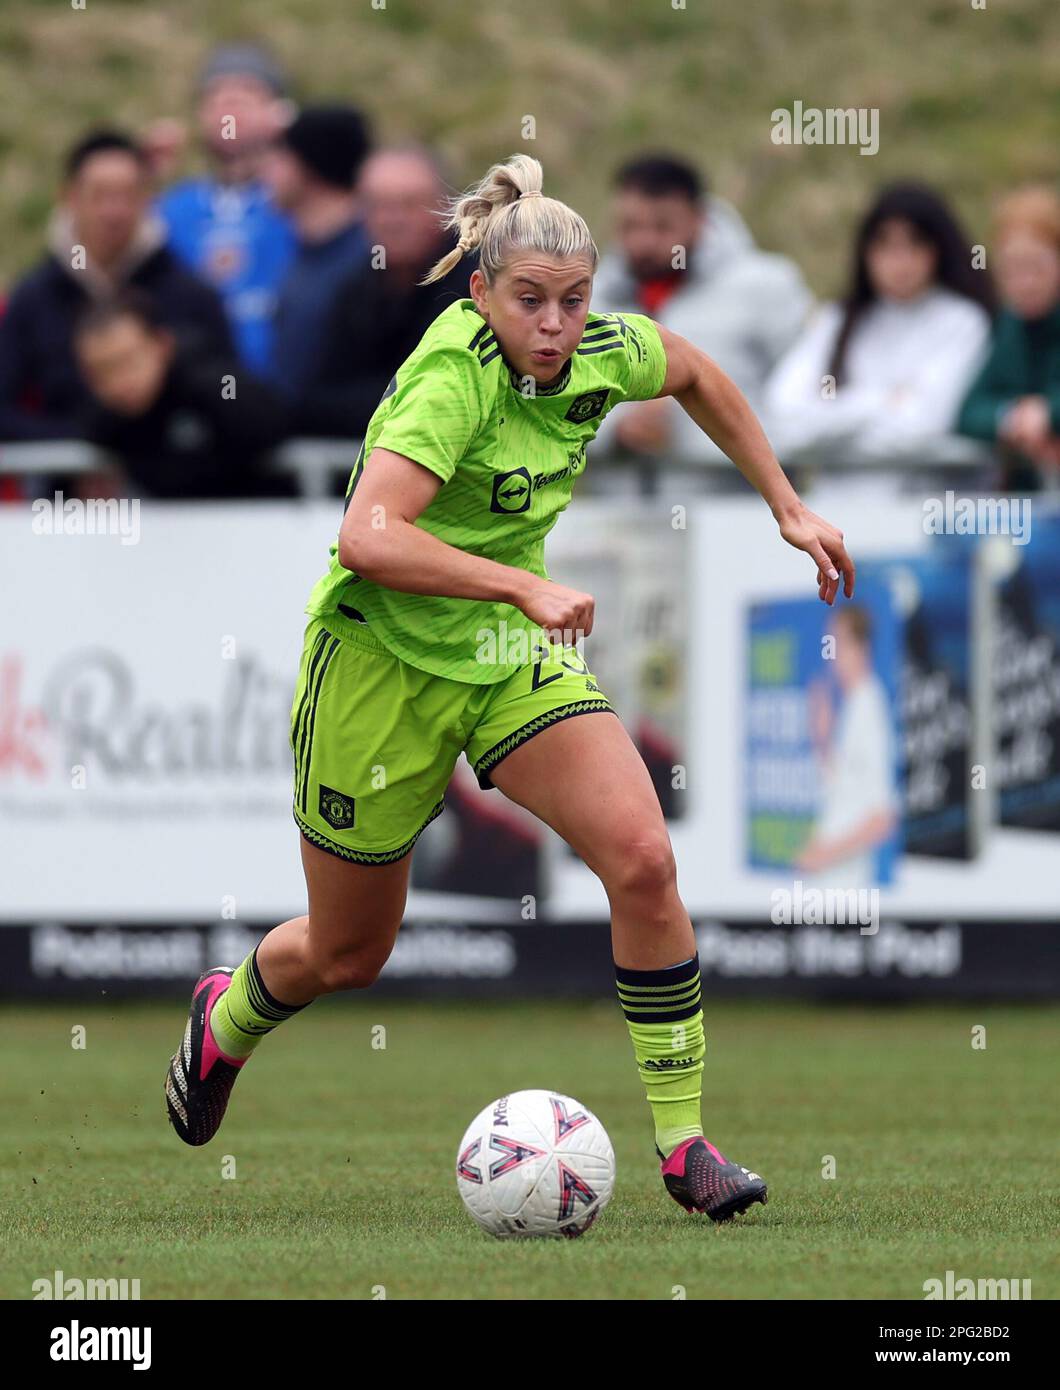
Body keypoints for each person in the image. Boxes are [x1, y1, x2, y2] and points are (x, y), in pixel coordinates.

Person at [162, 153, 854, 1223]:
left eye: (573, 302)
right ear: (481, 293)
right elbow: (368, 534)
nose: (554, 325)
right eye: (528, 300)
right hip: (380, 666)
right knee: (348, 952)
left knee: (640, 856)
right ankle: (227, 1017)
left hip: (502, 653)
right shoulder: (455, 379)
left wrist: (786, 506)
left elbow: (699, 375)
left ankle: (684, 1145)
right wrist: (518, 583)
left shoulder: (601, 350)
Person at [587, 153, 813, 489]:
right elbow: (551, 406)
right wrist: (616, 431)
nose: (645, 242)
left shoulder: (768, 287)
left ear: (700, 219)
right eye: (631, 226)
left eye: (663, 226)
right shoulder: (588, 297)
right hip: (622, 527)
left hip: (741, 521)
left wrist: (701, 428)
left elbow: (813, 403)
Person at [0, 130, 232, 443]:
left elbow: (230, 391)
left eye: (127, 195)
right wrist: (82, 449)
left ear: (148, 198)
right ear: (69, 197)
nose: (113, 212)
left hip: (176, 485)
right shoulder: (35, 298)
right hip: (61, 488)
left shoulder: (192, 294)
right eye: (100, 195)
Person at [764, 183, 994, 471]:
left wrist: (832, 415)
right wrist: (884, 400)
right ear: (866, 252)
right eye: (885, 245)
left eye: (914, 245)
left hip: (923, 500)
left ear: (938, 251)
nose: (900, 261)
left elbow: (921, 427)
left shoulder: (962, 322)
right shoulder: (837, 319)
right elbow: (783, 411)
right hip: (838, 500)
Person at [293, 144, 476, 440]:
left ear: (447, 209)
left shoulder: (478, 287)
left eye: (410, 204)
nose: (393, 220)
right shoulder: (355, 289)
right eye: (378, 205)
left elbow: (445, 400)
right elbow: (314, 399)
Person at [153, 43, 297, 376]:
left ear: (281, 112)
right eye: (215, 94)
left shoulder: (304, 202)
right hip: (196, 394)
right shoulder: (171, 208)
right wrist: (140, 177)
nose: (229, 103)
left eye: (248, 91)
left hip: (290, 400)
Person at [74, 290, 292, 500]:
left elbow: (269, 424)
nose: (119, 382)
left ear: (162, 345)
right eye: (103, 371)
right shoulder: (104, 418)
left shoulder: (215, 383)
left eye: (128, 361)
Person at [261, 105, 372, 401]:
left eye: (278, 156)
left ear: (306, 165)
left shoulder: (370, 260)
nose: (265, 171)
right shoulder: (300, 251)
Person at [957, 186, 1060, 490]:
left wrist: (1047, 413)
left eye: (1036, 266)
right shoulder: (1009, 327)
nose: (1025, 283)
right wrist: (1012, 418)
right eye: (1012, 269)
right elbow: (968, 413)